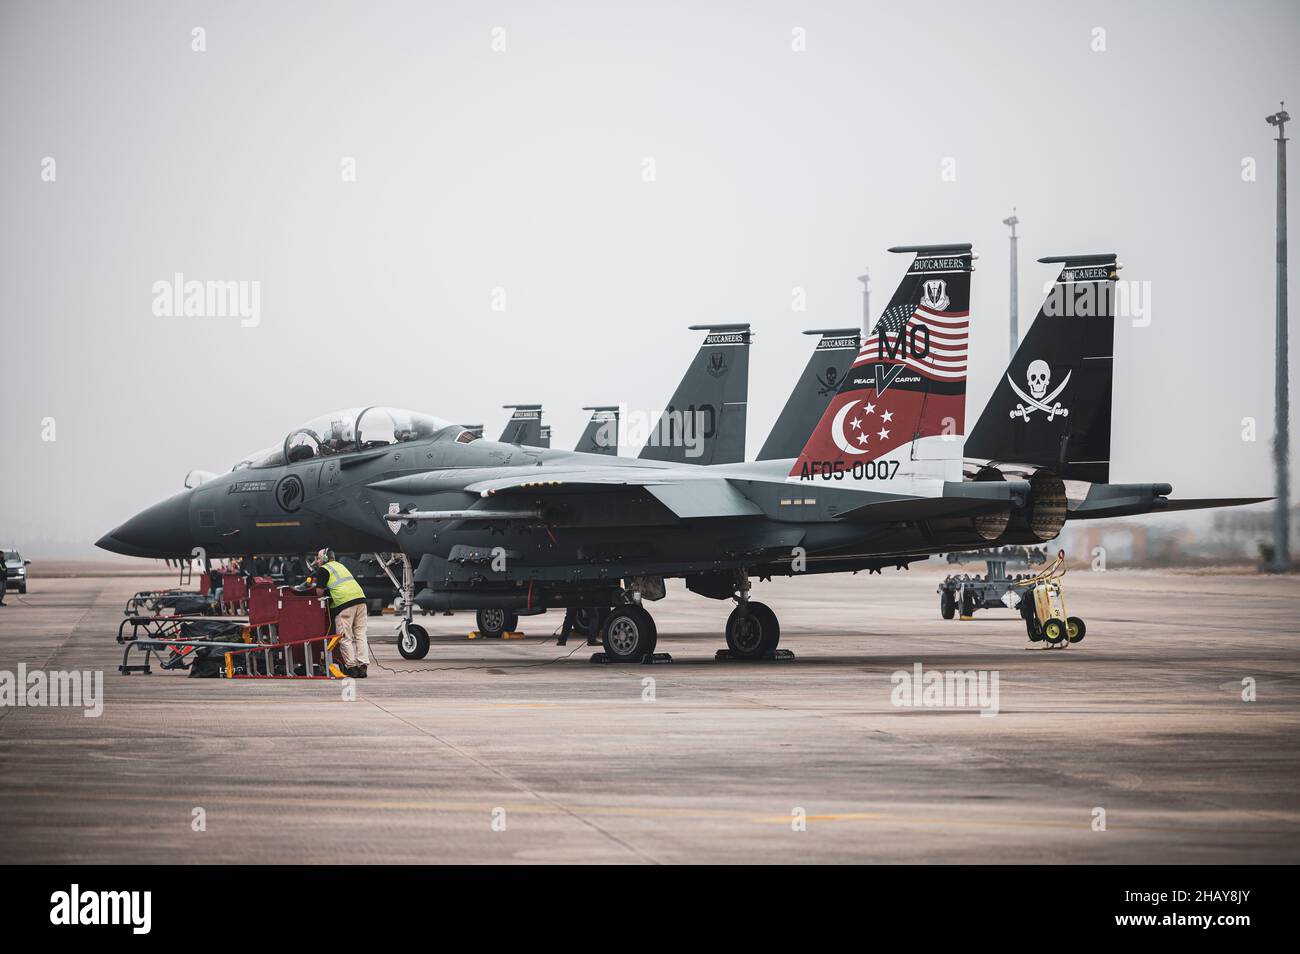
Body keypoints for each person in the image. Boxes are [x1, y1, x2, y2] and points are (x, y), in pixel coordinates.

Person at [303, 549, 371, 678]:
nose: (317, 561)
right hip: (361, 600)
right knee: (360, 634)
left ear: (324, 559)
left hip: (344, 603)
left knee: (345, 637)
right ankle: (363, 667)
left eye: (318, 558)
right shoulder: (340, 565)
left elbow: (319, 593)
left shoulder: (323, 569)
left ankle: (352, 668)